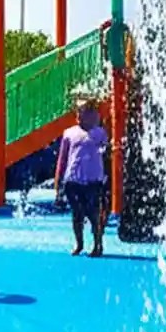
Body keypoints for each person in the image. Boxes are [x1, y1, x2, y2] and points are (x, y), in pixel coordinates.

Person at [55, 99, 108, 257]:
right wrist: (58, 180)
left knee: (93, 214)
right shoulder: (69, 133)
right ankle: (79, 243)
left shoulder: (100, 133)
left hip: (93, 181)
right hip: (73, 180)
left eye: (84, 112)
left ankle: (98, 244)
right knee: (77, 214)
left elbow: (107, 155)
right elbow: (63, 158)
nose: (80, 115)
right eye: (79, 112)